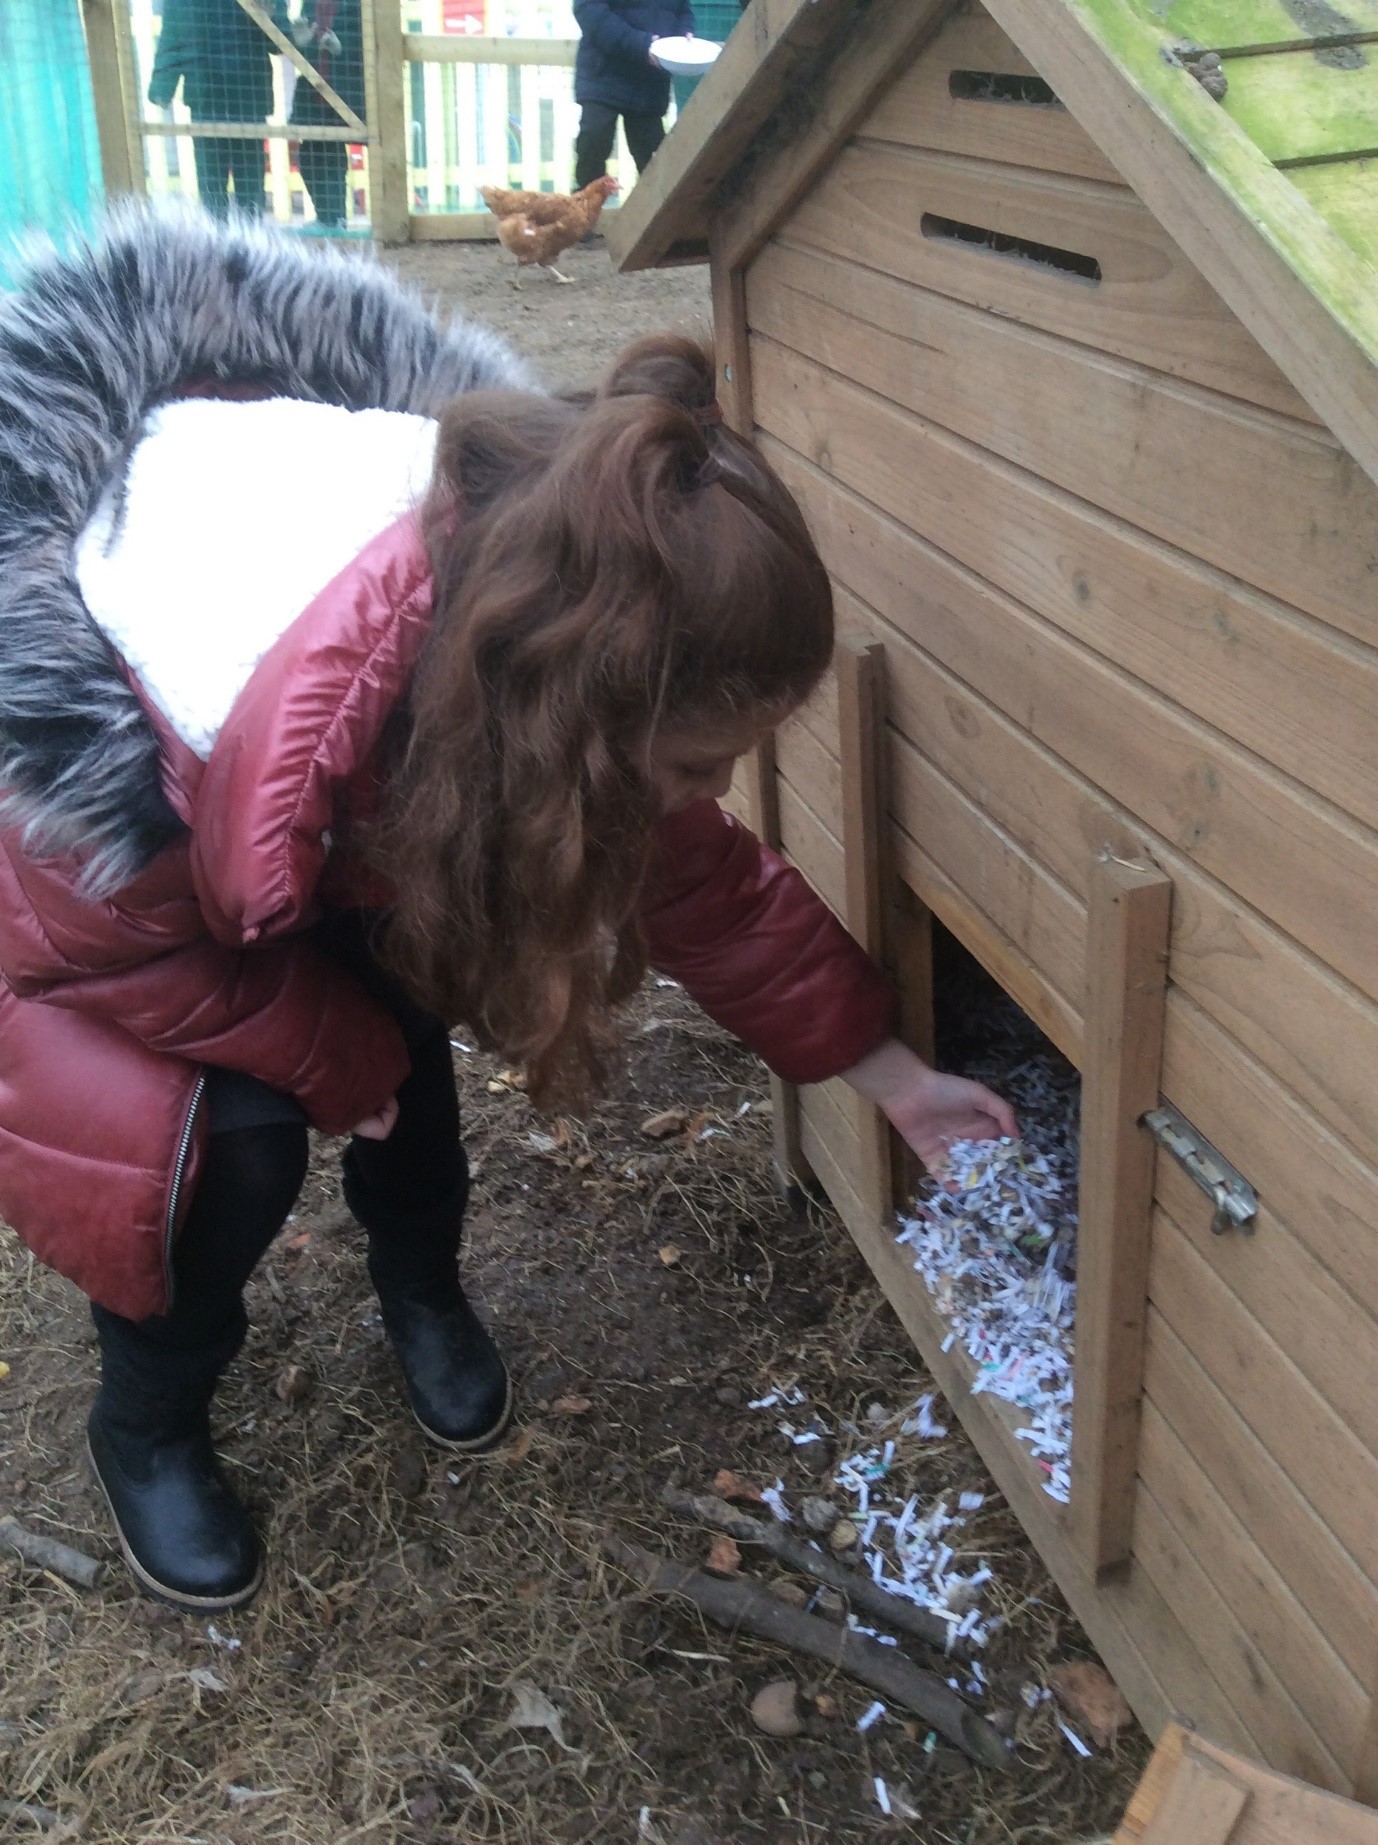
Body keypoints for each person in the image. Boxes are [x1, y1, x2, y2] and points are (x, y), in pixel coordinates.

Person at [0, 207, 1015, 1614]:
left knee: (410, 1057)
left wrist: (885, 1071)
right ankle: (149, 1414)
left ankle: (420, 1287)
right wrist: (320, 1059)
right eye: (694, 760)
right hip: (103, 938)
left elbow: (700, 880)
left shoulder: (530, 673)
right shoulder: (139, 702)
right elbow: (89, 949)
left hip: (318, 823)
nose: (709, 789)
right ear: (581, 718)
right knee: (215, 1161)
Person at [147, 0, 290, 217]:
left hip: (245, 96)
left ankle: (249, 238)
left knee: (248, 183)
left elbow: (278, 43)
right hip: (209, 96)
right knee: (212, 183)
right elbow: (173, 31)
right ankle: (219, 238)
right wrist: (162, 86)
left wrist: (269, 15)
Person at [572, 0, 695, 192]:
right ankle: (586, 212)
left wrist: (683, 35)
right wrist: (640, 44)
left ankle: (659, 215)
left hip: (649, 83)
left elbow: (682, 11)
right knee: (594, 141)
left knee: (655, 163)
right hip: (604, 73)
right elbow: (588, 9)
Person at [288, 1, 365, 230]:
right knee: (309, 154)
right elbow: (304, 47)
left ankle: (335, 218)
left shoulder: (360, 5)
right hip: (312, 92)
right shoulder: (310, 3)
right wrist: (303, 43)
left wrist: (341, 49)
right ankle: (325, 217)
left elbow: (372, 43)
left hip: (344, 91)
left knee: (332, 154)